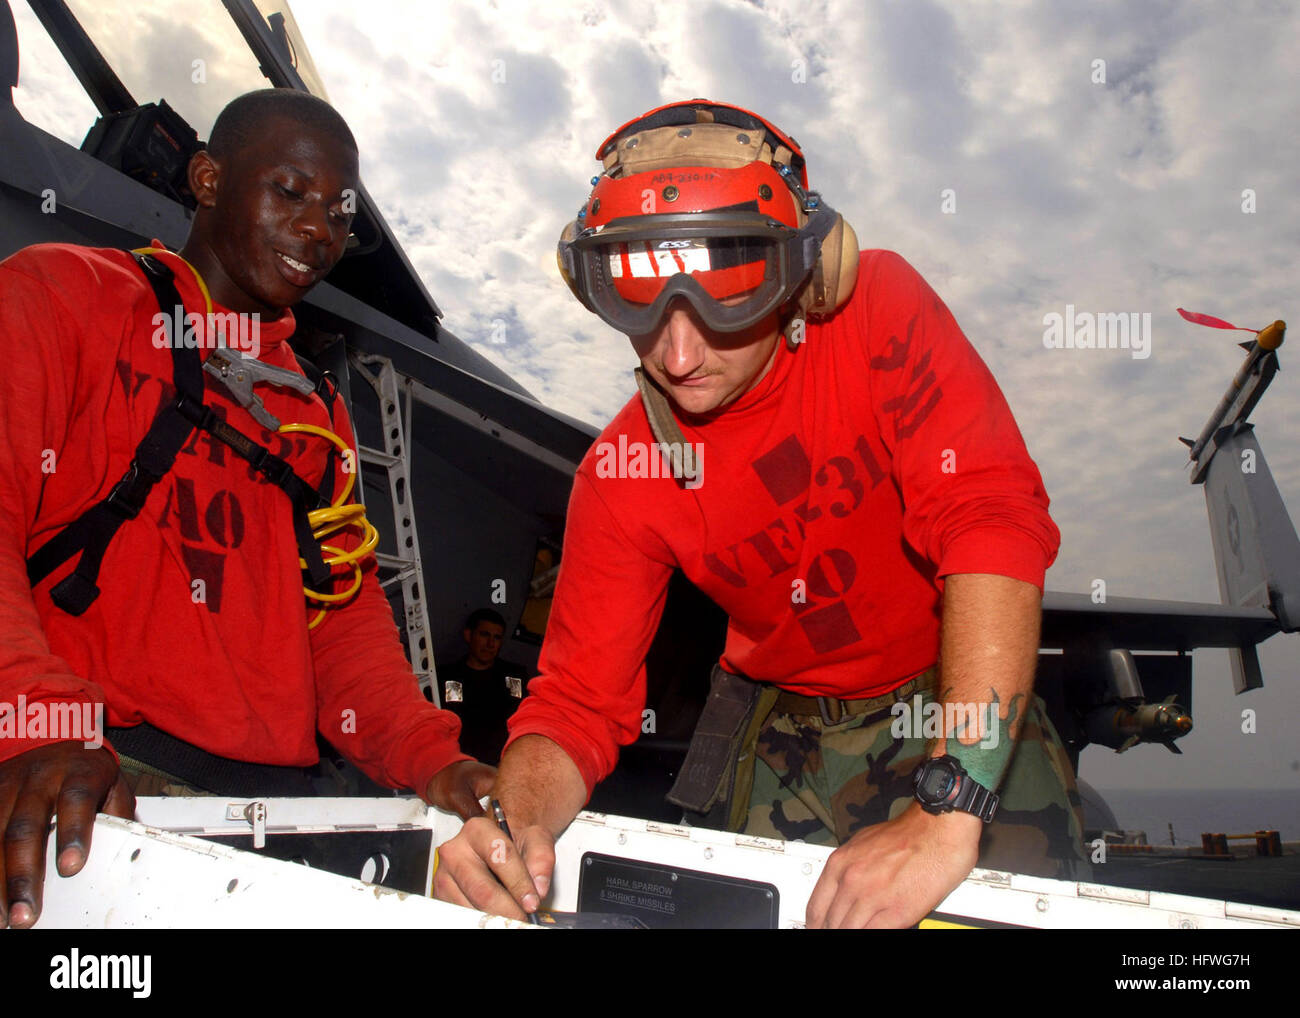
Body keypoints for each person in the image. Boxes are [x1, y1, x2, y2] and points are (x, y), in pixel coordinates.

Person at [433, 100, 1089, 929]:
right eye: (641, 301)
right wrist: (510, 821)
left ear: (803, 272)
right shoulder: (622, 473)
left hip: (952, 698)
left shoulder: (878, 310)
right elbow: (574, 704)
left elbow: (990, 516)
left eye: (726, 298)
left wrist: (949, 806)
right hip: (780, 722)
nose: (677, 355)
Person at [0, 88, 492, 930]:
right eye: (290, 192)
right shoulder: (62, 294)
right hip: (92, 779)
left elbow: (343, 625)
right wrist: (32, 722)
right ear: (207, 178)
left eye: (337, 212)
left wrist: (435, 760)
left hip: (276, 815)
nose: (317, 231)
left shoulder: (320, 413)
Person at [430, 608, 532, 765]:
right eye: (484, 635)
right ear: (468, 635)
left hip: (506, 766)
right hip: (459, 767)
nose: (490, 644)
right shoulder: (448, 677)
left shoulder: (514, 677)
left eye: (497, 638)